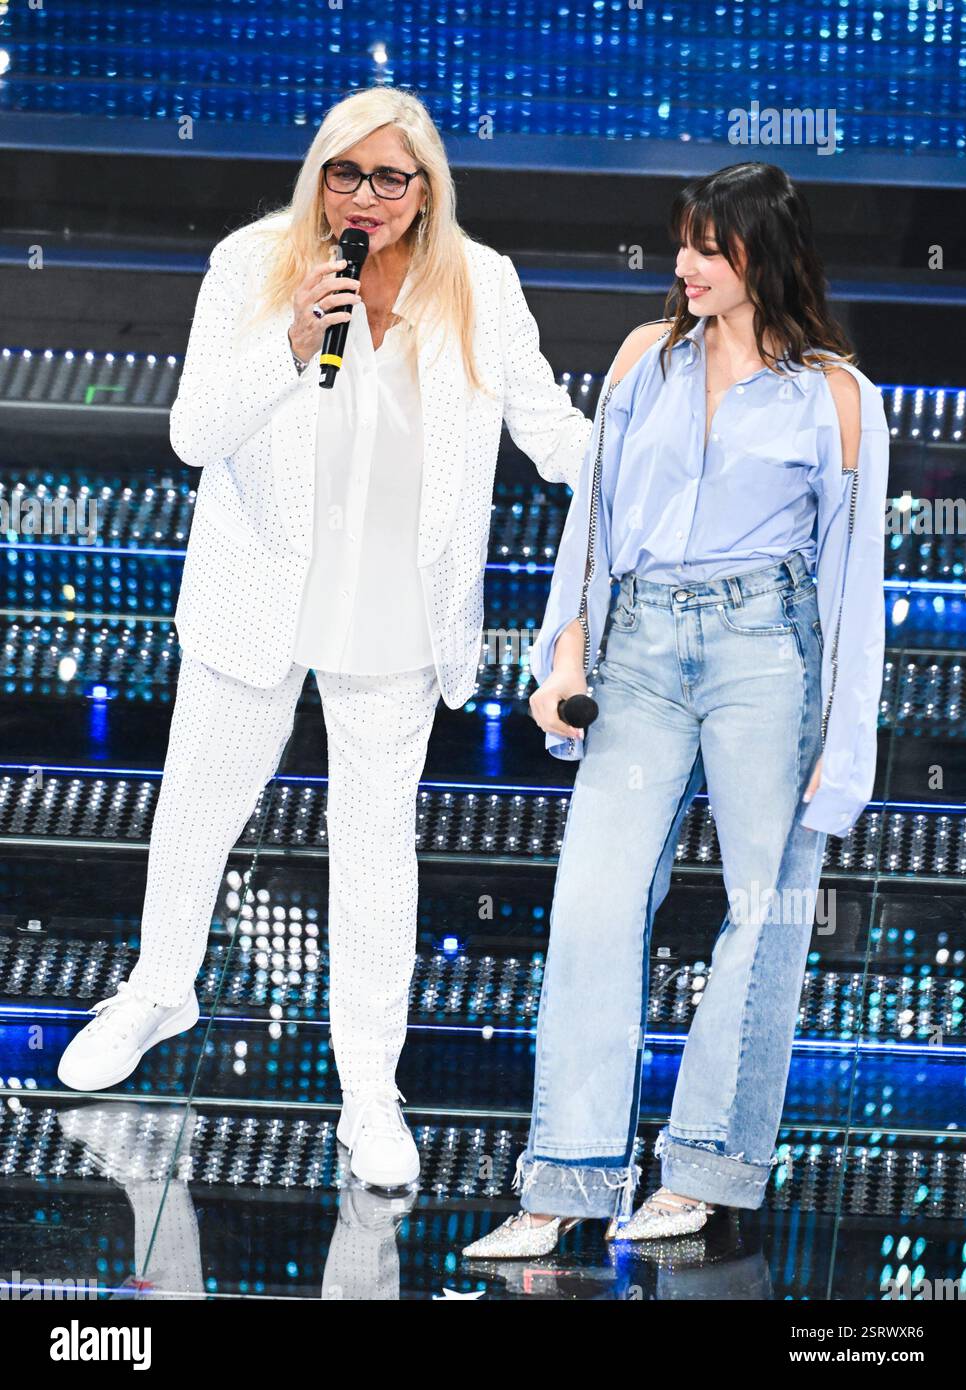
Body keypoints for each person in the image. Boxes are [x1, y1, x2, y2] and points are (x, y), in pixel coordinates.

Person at [56, 87, 592, 1192]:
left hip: (394, 599)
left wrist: (667, 477)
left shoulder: (477, 284)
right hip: (259, 583)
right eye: (343, 174)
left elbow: (546, 429)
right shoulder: (252, 262)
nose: (364, 197)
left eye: (388, 178)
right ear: (318, 177)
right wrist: (293, 339)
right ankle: (161, 988)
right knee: (197, 805)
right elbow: (193, 432)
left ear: (426, 185)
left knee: (373, 850)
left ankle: (365, 1085)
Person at [463, 161, 889, 1259]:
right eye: (681, 245)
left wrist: (842, 752)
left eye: (709, 246)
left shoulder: (835, 394)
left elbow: (851, 589)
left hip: (767, 649)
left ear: (761, 251)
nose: (685, 266)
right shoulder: (641, 362)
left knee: (763, 910)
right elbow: (591, 534)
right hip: (639, 650)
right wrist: (560, 657)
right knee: (593, 904)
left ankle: (703, 1169)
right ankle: (564, 1182)